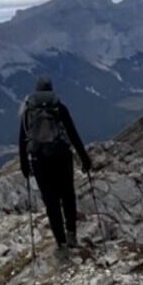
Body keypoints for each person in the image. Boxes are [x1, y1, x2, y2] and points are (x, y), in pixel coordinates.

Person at [18, 75, 93, 250]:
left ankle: (60, 241)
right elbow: (73, 134)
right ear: (51, 89)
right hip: (62, 157)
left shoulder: (28, 110)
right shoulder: (59, 108)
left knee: (51, 201)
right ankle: (71, 234)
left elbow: (22, 139)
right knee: (67, 196)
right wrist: (85, 159)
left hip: (39, 160)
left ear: (36, 90)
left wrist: (24, 165)